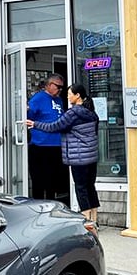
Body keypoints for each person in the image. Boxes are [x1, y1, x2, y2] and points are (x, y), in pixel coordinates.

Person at [26, 83, 100, 226]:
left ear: (77, 96)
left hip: (79, 158)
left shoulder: (73, 113)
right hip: (91, 156)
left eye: (69, 94)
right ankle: (94, 220)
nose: (67, 96)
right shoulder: (91, 112)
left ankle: (87, 223)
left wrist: (35, 124)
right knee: (90, 187)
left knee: (81, 189)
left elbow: (55, 126)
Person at [27, 73, 67, 200]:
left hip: (56, 145)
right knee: (39, 180)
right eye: (58, 86)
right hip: (40, 145)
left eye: (62, 88)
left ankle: (51, 204)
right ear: (49, 85)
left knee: (53, 180)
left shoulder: (59, 100)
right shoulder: (38, 99)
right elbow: (29, 120)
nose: (60, 90)